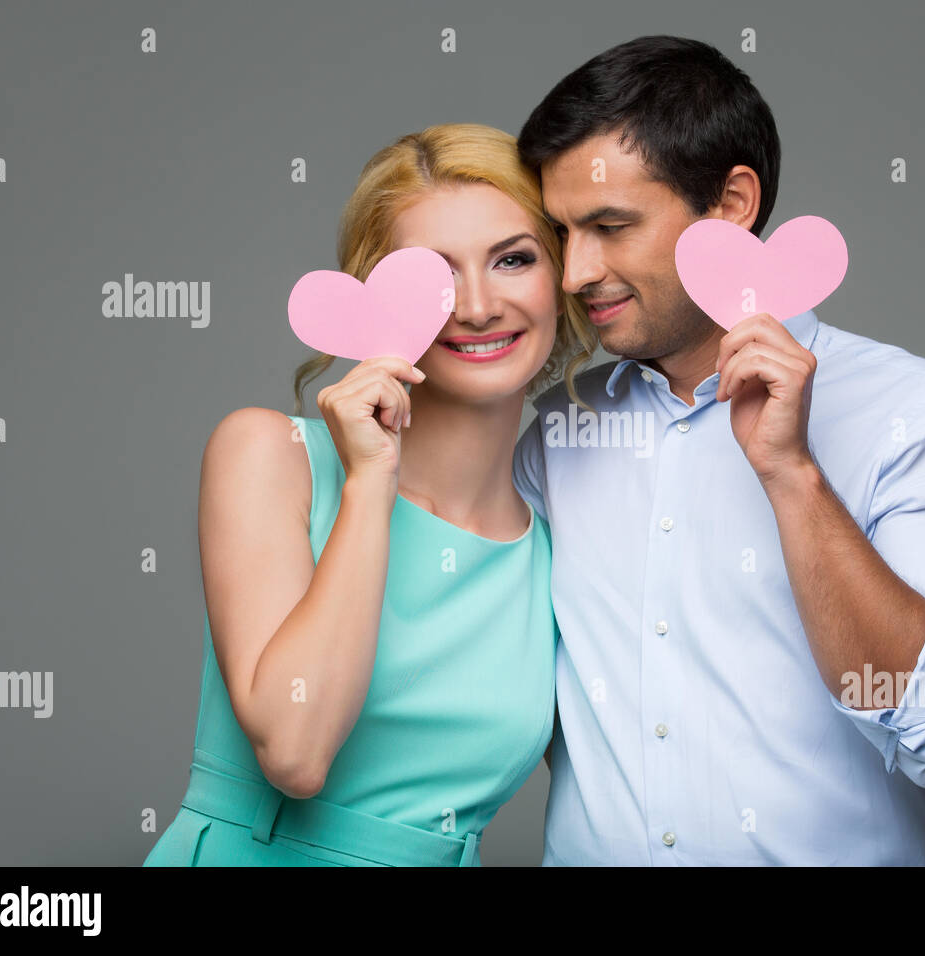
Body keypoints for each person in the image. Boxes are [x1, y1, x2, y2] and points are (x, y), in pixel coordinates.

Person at [511, 35, 925, 865]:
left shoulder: (924, 414)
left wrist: (793, 476)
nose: (574, 274)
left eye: (609, 225)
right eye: (562, 233)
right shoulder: (553, 440)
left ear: (731, 204)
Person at [143, 123, 595, 866]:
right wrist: (370, 485)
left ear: (561, 276)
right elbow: (296, 753)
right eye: (435, 278)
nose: (479, 306)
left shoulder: (562, 540)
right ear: (377, 298)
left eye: (513, 259)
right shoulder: (271, 455)